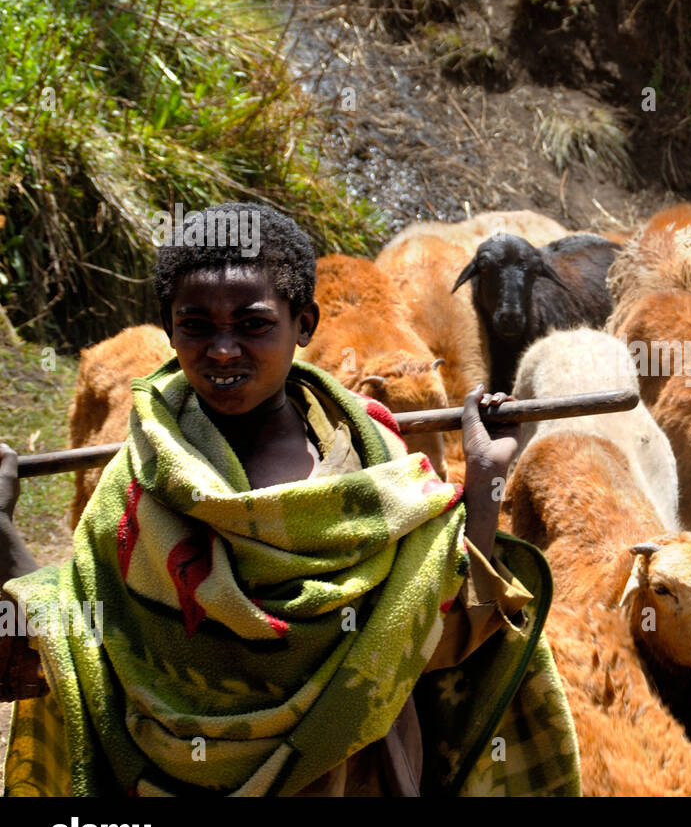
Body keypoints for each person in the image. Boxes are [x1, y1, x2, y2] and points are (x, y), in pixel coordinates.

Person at [0, 203, 580, 796]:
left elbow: (441, 627)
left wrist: (483, 478)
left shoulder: (373, 457)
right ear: (169, 327)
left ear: (304, 324)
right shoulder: (140, 479)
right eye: (196, 325)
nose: (223, 350)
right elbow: (76, 641)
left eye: (253, 325)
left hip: (357, 775)